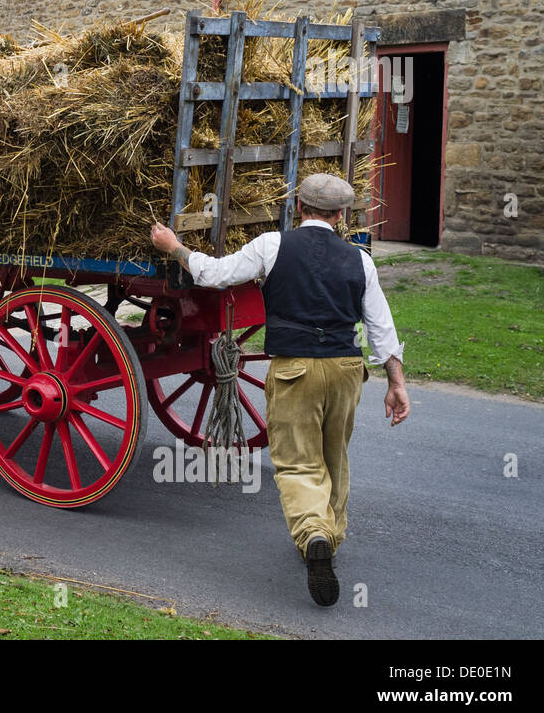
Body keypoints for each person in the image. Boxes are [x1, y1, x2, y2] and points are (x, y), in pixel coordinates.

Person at [149, 172, 410, 607]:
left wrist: (175, 247)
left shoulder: (272, 245)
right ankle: (331, 536)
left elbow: (215, 275)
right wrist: (397, 384)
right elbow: (381, 328)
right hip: (346, 369)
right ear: (341, 215)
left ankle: (313, 535)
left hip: (295, 370)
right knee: (334, 457)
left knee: (296, 461)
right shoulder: (360, 260)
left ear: (299, 207)